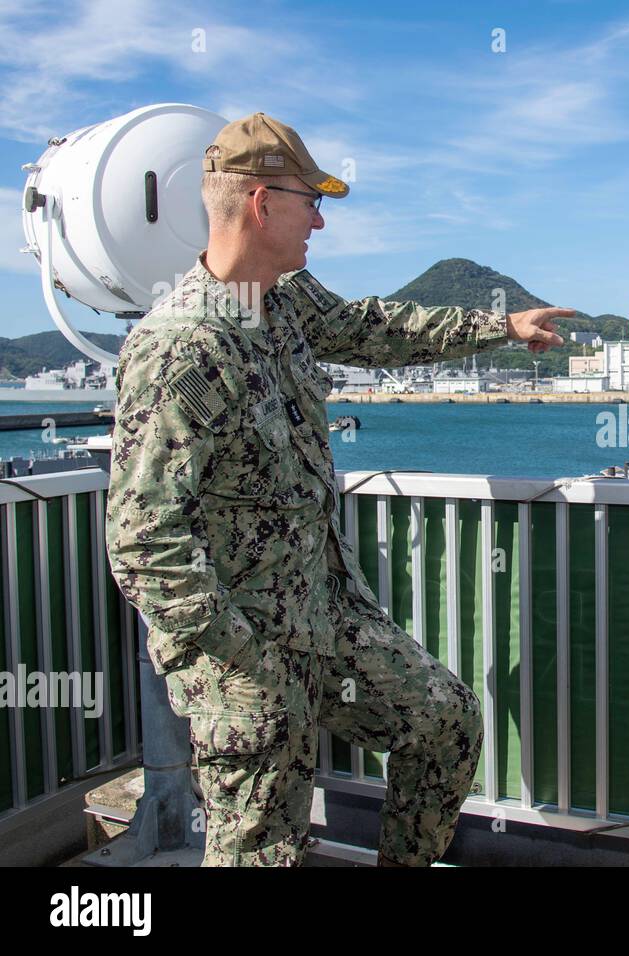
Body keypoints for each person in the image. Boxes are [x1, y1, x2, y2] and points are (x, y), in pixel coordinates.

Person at [106, 112, 568, 866]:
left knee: (444, 721)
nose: (320, 219)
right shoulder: (182, 347)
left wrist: (504, 327)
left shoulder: (282, 301)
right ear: (261, 203)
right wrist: (241, 663)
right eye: (309, 201)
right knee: (261, 851)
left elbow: (377, 327)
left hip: (323, 617)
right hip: (245, 655)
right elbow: (142, 541)